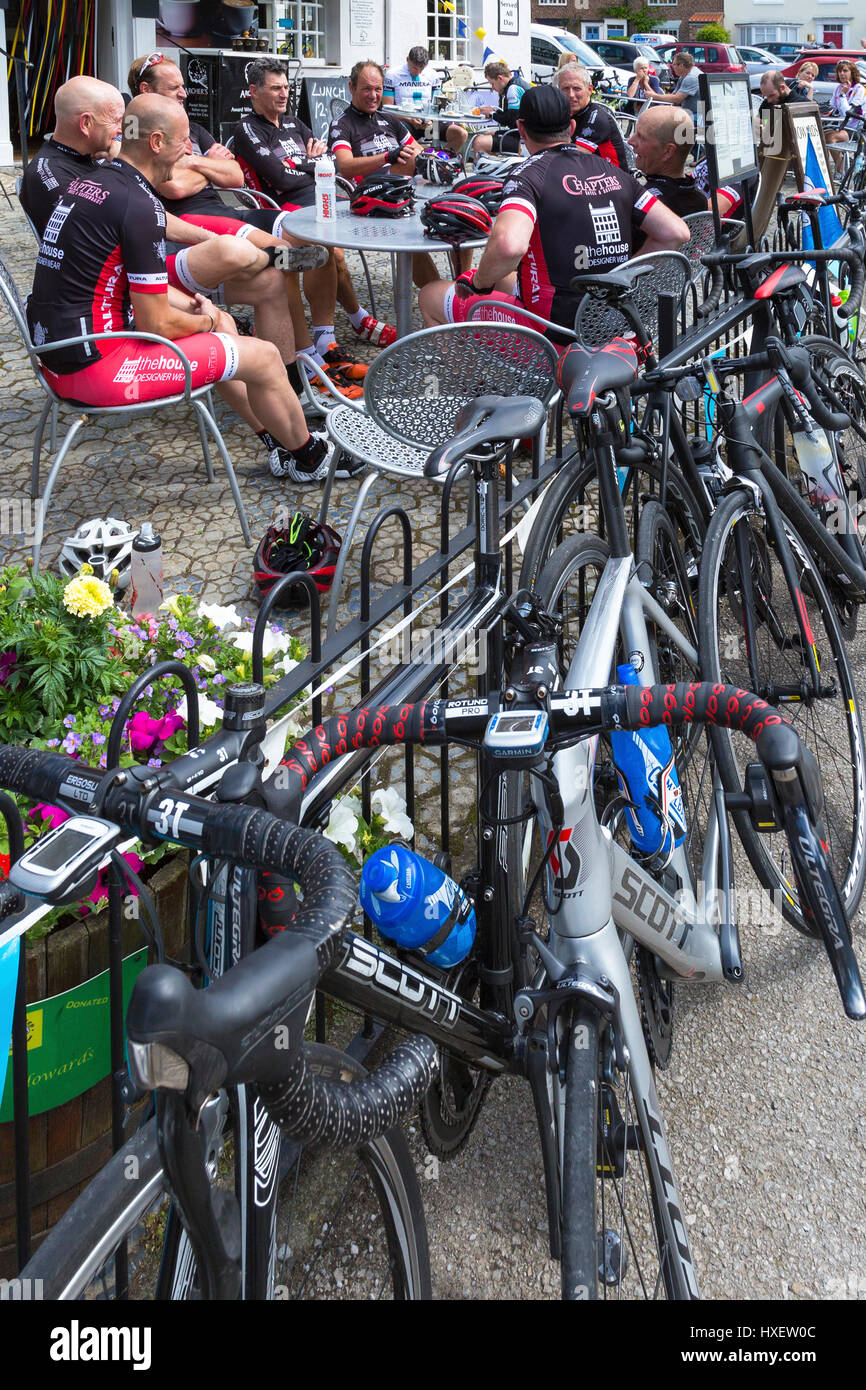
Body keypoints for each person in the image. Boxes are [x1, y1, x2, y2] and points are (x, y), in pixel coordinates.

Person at [26, 94, 337, 485]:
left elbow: (121, 289)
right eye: (183, 142)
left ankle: (281, 442)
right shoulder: (137, 205)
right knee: (263, 356)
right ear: (156, 143)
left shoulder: (97, 182)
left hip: (58, 356)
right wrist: (205, 318)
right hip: (97, 368)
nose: (187, 152)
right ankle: (311, 457)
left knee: (223, 326)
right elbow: (157, 323)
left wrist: (206, 315)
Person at [130, 54, 377, 391]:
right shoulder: (140, 137)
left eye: (184, 86)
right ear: (147, 90)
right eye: (175, 87)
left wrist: (192, 162)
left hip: (229, 210)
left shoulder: (194, 129)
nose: (185, 93)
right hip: (191, 222)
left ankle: (324, 342)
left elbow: (232, 176)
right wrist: (207, 165)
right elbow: (172, 186)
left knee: (312, 238)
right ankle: (307, 358)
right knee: (285, 256)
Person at [419, 85, 689, 345]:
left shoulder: (527, 176)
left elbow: (508, 246)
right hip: (607, 317)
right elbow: (676, 233)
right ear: (571, 127)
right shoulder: (614, 172)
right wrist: (621, 278)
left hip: (549, 331)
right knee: (502, 277)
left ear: (521, 129)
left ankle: (476, 386)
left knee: (431, 295)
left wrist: (478, 284)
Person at [232, 57, 396, 351]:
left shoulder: (294, 122)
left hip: (320, 201)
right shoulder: (247, 129)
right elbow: (280, 179)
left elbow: (331, 162)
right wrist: (310, 162)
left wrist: (301, 163)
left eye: (286, 87)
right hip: (280, 211)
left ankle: (344, 326)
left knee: (345, 242)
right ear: (253, 92)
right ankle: (336, 332)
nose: (284, 94)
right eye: (275, 88)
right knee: (330, 251)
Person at [328, 61, 437, 289]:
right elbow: (345, 166)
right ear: (351, 87)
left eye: (378, 89)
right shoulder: (342, 124)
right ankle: (441, 298)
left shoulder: (389, 119)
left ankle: (461, 290)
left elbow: (418, 149)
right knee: (408, 160)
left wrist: (437, 159)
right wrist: (388, 157)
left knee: (460, 215)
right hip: (372, 197)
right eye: (366, 89)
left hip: (408, 191)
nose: (373, 95)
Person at [628, 106, 706, 242]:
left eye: (641, 137)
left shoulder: (645, 204)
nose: (631, 141)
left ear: (668, 152)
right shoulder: (699, 198)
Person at [382, 44, 465, 156]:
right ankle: (422, 161)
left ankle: (440, 161)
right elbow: (387, 109)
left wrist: (431, 120)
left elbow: (438, 104)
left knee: (461, 134)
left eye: (422, 69)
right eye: (414, 68)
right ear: (407, 60)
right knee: (398, 135)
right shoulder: (393, 75)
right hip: (405, 122)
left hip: (429, 123)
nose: (418, 72)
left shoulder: (432, 75)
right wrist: (410, 120)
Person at [554, 65, 628, 167]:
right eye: (565, 88)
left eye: (577, 88)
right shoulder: (569, 113)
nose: (571, 95)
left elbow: (571, 160)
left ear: (589, 89)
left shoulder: (597, 118)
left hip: (614, 179)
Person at [469, 60, 532, 157]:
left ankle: (484, 169)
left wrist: (492, 114)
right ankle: (492, 167)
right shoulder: (517, 83)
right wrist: (496, 111)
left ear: (500, 78)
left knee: (478, 142)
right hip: (522, 132)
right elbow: (512, 115)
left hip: (521, 137)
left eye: (492, 84)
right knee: (486, 133)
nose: (493, 88)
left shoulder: (512, 89)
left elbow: (511, 121)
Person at [826, 59, 866, 167]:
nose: (842, 74)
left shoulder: (859, 89)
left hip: (854, 130)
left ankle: (841, 170)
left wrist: (843, 95)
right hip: (841, 127)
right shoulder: (838, 88)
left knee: (830, 138)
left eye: (845, 71)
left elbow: (847, 113)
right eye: (839, 71)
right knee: (821, 135)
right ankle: (837, 168)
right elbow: (833, 107)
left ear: (852, 73)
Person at [650, 51, 700, 120]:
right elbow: (673, 95)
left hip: (699, 116)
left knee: (667, 121)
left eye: (674, 64)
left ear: (681, 65)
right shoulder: (683, 76)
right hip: (689, 111)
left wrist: (654, 96)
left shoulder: (691, 77)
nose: (672, 67)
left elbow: (677, 99)